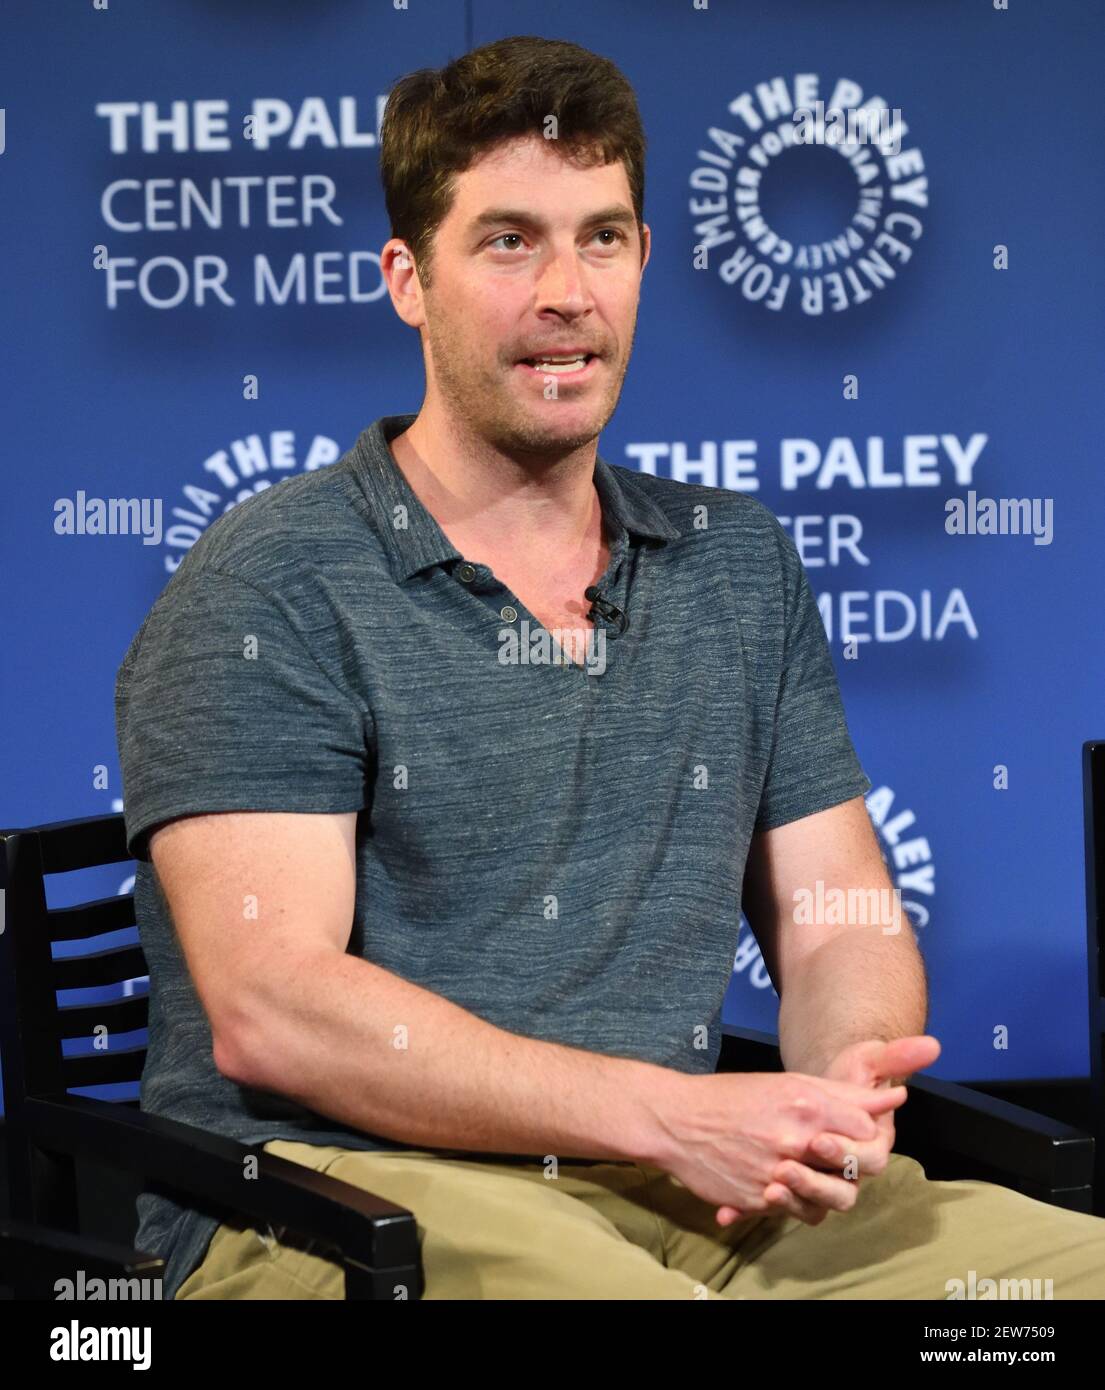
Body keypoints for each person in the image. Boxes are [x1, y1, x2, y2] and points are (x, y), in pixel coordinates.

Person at [114, 34, 1105, 1300]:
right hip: (330, 1195)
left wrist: (839, 1073)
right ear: (406, 279)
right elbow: (276, 1007)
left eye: (603, 237)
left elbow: (832, 909)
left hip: (686, 1183)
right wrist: (659, 1112)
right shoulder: (273, 583)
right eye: (509, 240)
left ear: (645, 259)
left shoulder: (732, 565)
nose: (566, 292)